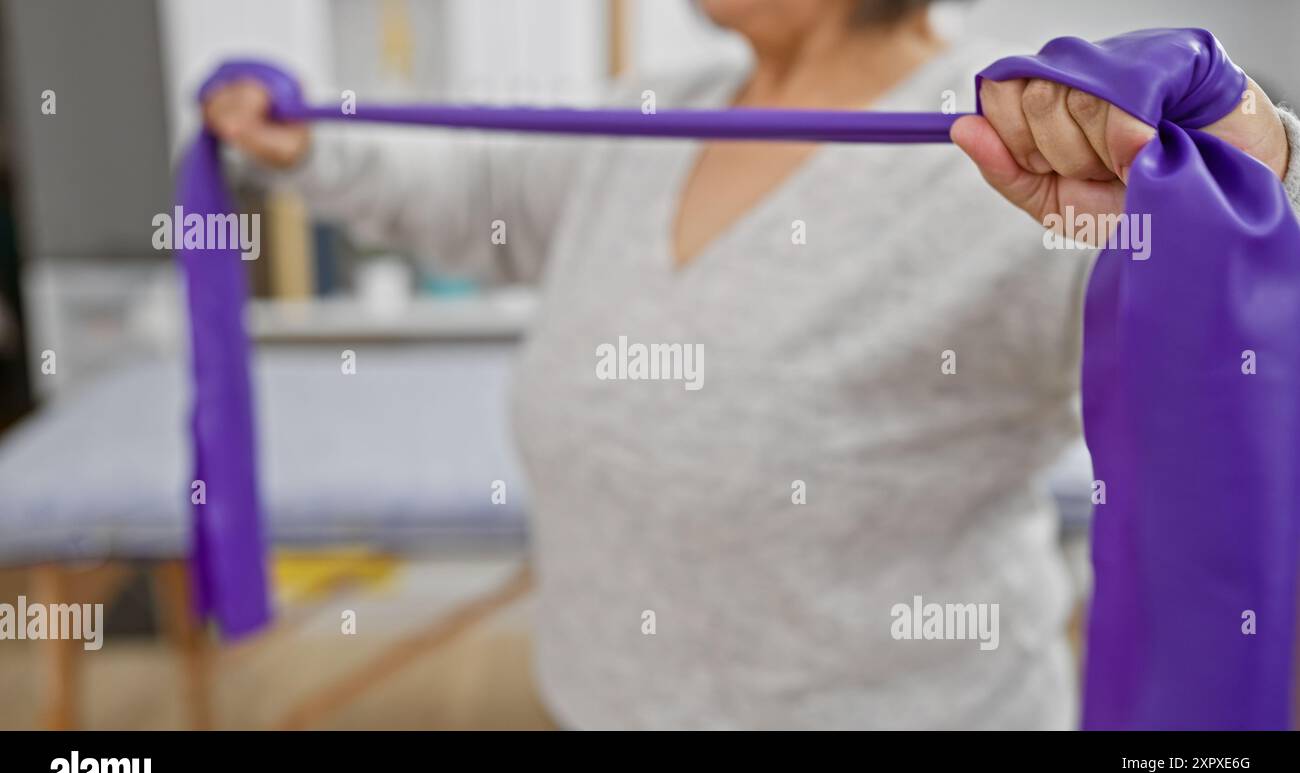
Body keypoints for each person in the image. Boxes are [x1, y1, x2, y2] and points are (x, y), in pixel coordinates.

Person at [203, 0, 1300, 729]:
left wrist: (1260, 162)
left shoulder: (1016, 141)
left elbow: (1238, 324)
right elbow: (472, 190)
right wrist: (305, 143)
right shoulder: (661, 108)